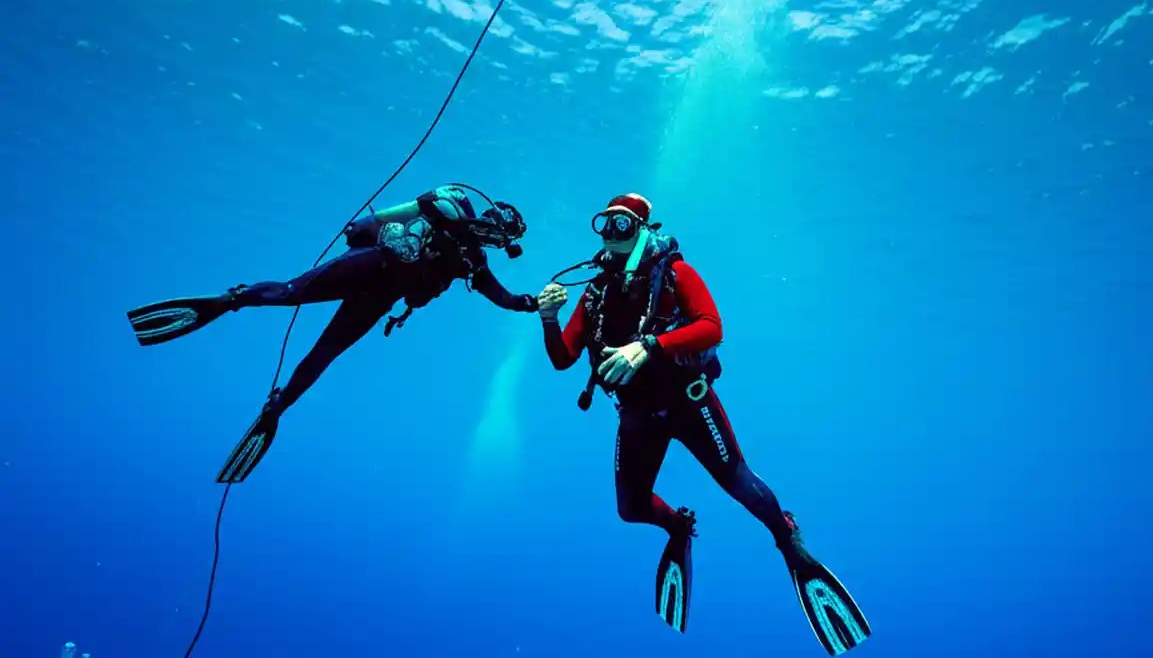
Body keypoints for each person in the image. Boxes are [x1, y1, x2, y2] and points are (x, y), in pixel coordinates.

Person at [535, 193, 871, 655]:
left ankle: (787, 538)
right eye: (605, 224)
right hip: (636, 416)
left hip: (690, 404)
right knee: (630, 509)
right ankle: (678, 528)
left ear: (642, 229)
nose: (612, 234)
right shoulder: (595, 293)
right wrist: (549, 319)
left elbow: (712, 327)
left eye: (623, 224)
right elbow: (562, 358)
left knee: (739, 483)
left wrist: (647, 346)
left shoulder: (674, 273)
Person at [127, 184, 539, 483]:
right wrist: (370, 225)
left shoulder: (472, 260)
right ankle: (227, 300)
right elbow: (424, 205)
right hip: (371, 264)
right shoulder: (453, 204)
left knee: (327, 351)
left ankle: (278, 408)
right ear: (490, 217)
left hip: (382, 295)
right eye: (497, 230)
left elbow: (498, 295)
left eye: (503, 239)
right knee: (290, 293)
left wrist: (528, 303)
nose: (495, 238)